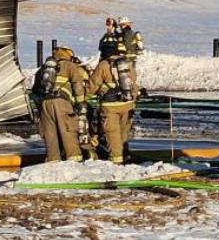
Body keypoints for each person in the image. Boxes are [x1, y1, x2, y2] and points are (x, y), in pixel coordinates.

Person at [29, 45, 90, 163]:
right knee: (68, 133)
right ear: (68, 55)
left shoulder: (43, 68)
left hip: (45, 105)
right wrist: (80, 104)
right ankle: (74, 163)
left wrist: (40, 108)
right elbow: (77, 86)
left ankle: (53, 164)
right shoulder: (70, 66)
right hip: (62, 103)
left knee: (51, 138)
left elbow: (35, 91)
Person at [86, 34, 138, 164]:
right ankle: (126, 159)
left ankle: (116, 164)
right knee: (123, 134)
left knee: (113, 135)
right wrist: (133, 100)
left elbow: (93, 85)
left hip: (110, 107)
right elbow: (134, 83)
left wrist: (83, 98)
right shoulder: (127, 64)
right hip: (127, 104)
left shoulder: (104, 65)